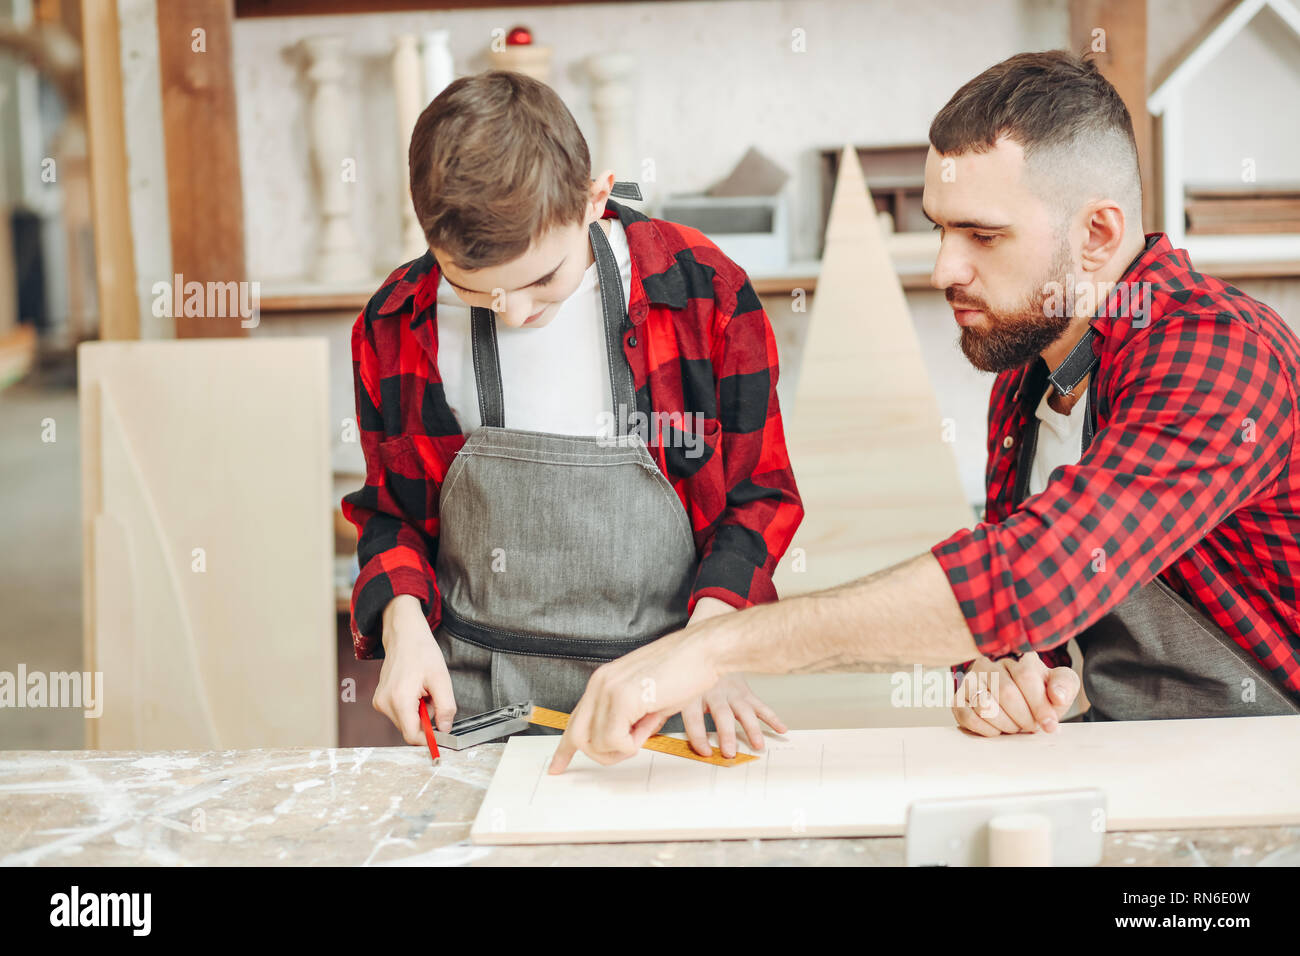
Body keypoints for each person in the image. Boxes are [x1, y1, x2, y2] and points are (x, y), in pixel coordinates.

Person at [550, 50, 1300, 774]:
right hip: (1147, 767)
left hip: (1274, 768)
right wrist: (997, 673)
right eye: (941, 228)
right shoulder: (1029, 369)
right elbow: (1021, 624)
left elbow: (1030, 572)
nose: (945, 268)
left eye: (983, 235)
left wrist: (710, 647)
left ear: (1097, 234)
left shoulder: (1221, 354)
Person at [342, 71, 803, 759]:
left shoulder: (704, 294)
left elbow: (757, 500)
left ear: (593, 200)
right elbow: (394, 517)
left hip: (668, 703)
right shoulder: (397, 321)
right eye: (477, 293)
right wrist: (404, 627)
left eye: (540, 281)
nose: (516, 314)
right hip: (476, 714)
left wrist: (710, 649)